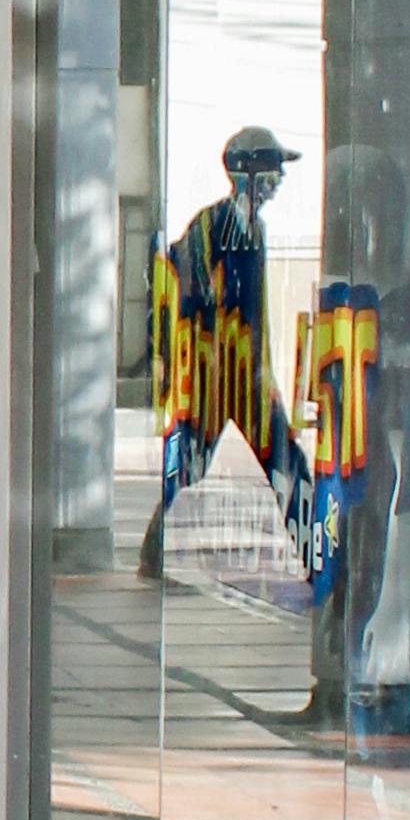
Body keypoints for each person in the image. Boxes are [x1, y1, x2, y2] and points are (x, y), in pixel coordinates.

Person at [142, 124, 311, 580]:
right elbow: (191, 295)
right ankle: (153, 553)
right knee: (191, 469)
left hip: (244, 374)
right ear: (248, 173)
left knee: (285, 462)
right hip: (215, 376)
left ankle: (317, 559)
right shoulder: (214, 226)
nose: (279, 179)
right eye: (273, 169)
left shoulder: (250, 226)